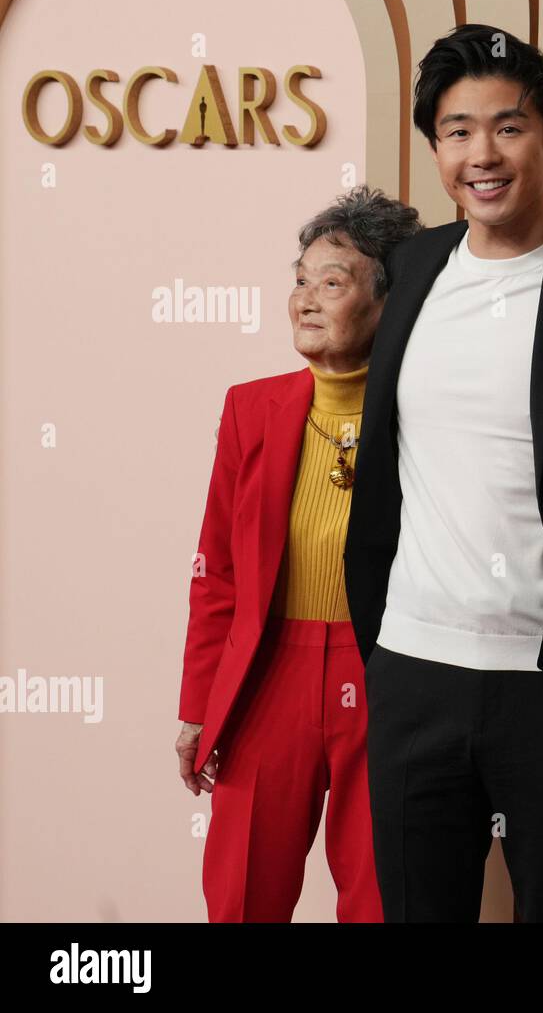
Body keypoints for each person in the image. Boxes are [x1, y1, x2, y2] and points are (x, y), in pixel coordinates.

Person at [343, 24, 543, 922]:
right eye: (456, 131)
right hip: (412, 666)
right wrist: (378, 656)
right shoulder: (408, 269)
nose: (481, 154)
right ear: (435, 147)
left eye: (509, 126)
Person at [177, 186, 422, 921]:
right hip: (267, 672)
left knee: (383, 894)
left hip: (385, 670)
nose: (306, 300)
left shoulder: (426, 408)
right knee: (241, 893)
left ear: (385, 302)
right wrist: (198, 707)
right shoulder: (250, 408)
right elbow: (216, 571)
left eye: (334, 282)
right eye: (300, 280)